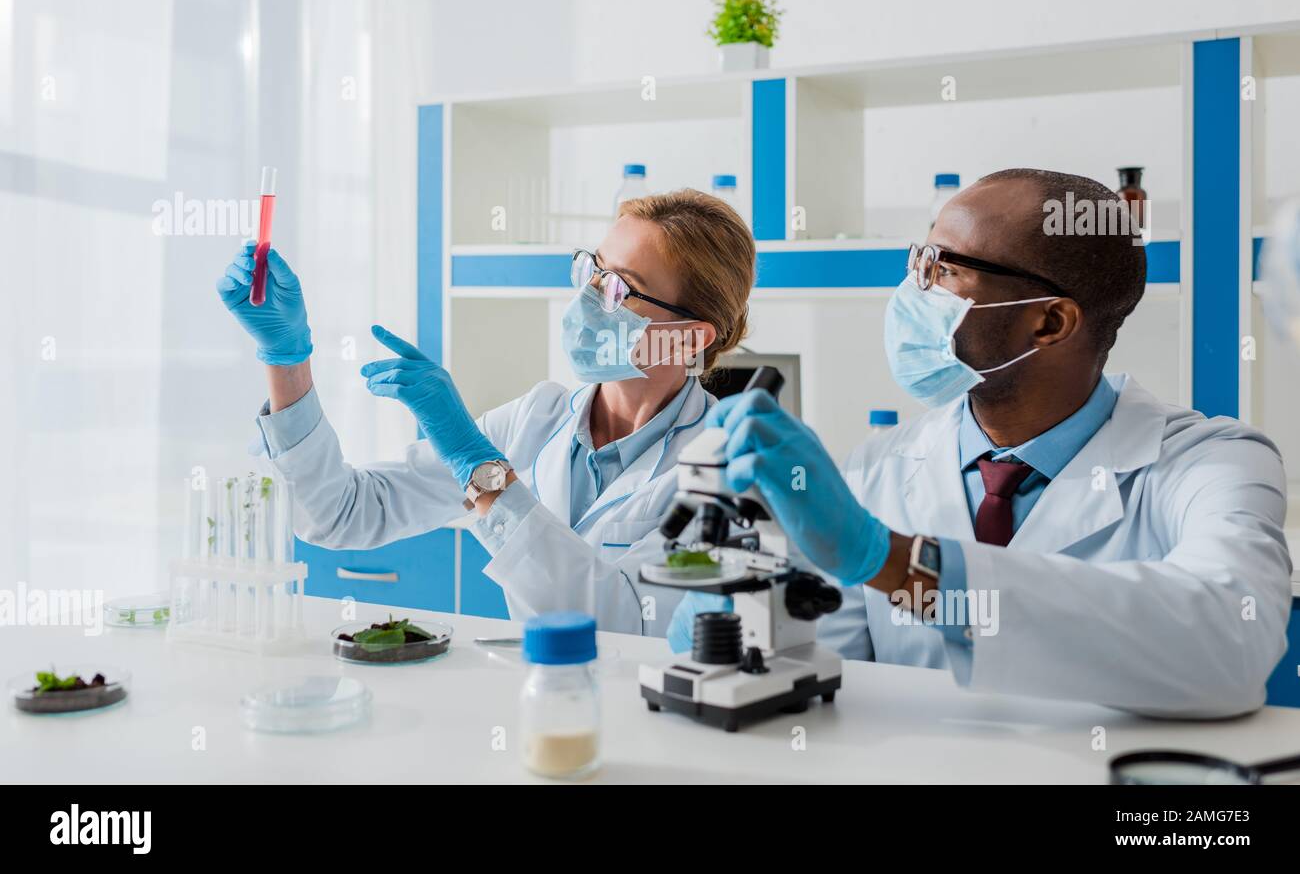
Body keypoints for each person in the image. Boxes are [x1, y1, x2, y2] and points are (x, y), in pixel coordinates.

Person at [671, 168, 1291, 719]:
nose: (916, 287)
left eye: (946, 268)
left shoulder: (1213, 461)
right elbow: (833, 687)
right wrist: (737, 613)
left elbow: (1230, 645)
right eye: (921, 259)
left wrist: (886, 559)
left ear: (1049, 321)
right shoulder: (880, 466)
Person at [216, 189, 756, 636]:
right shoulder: (534, 420)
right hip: (543, 710)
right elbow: (341, 514)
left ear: (688, 339)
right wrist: (288, 361)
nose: (589, 299)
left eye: (620, 288)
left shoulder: (726, 469)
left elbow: (624, 623)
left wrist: (478, 466)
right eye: (592, 271)